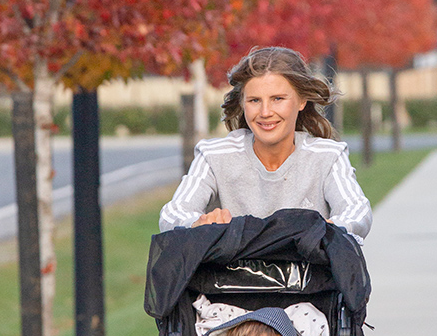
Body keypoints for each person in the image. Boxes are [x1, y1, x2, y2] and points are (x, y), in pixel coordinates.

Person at [159, 46, 372, 241]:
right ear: (243, 103)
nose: (265, 112)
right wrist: (198, 223)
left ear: (301, 101)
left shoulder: (327, 156)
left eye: (277, 99)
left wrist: (330, 228)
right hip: (233, 281)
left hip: (308, 282)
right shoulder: (214, 156)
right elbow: (173, 213)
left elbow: (357, 210)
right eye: (254, 101)